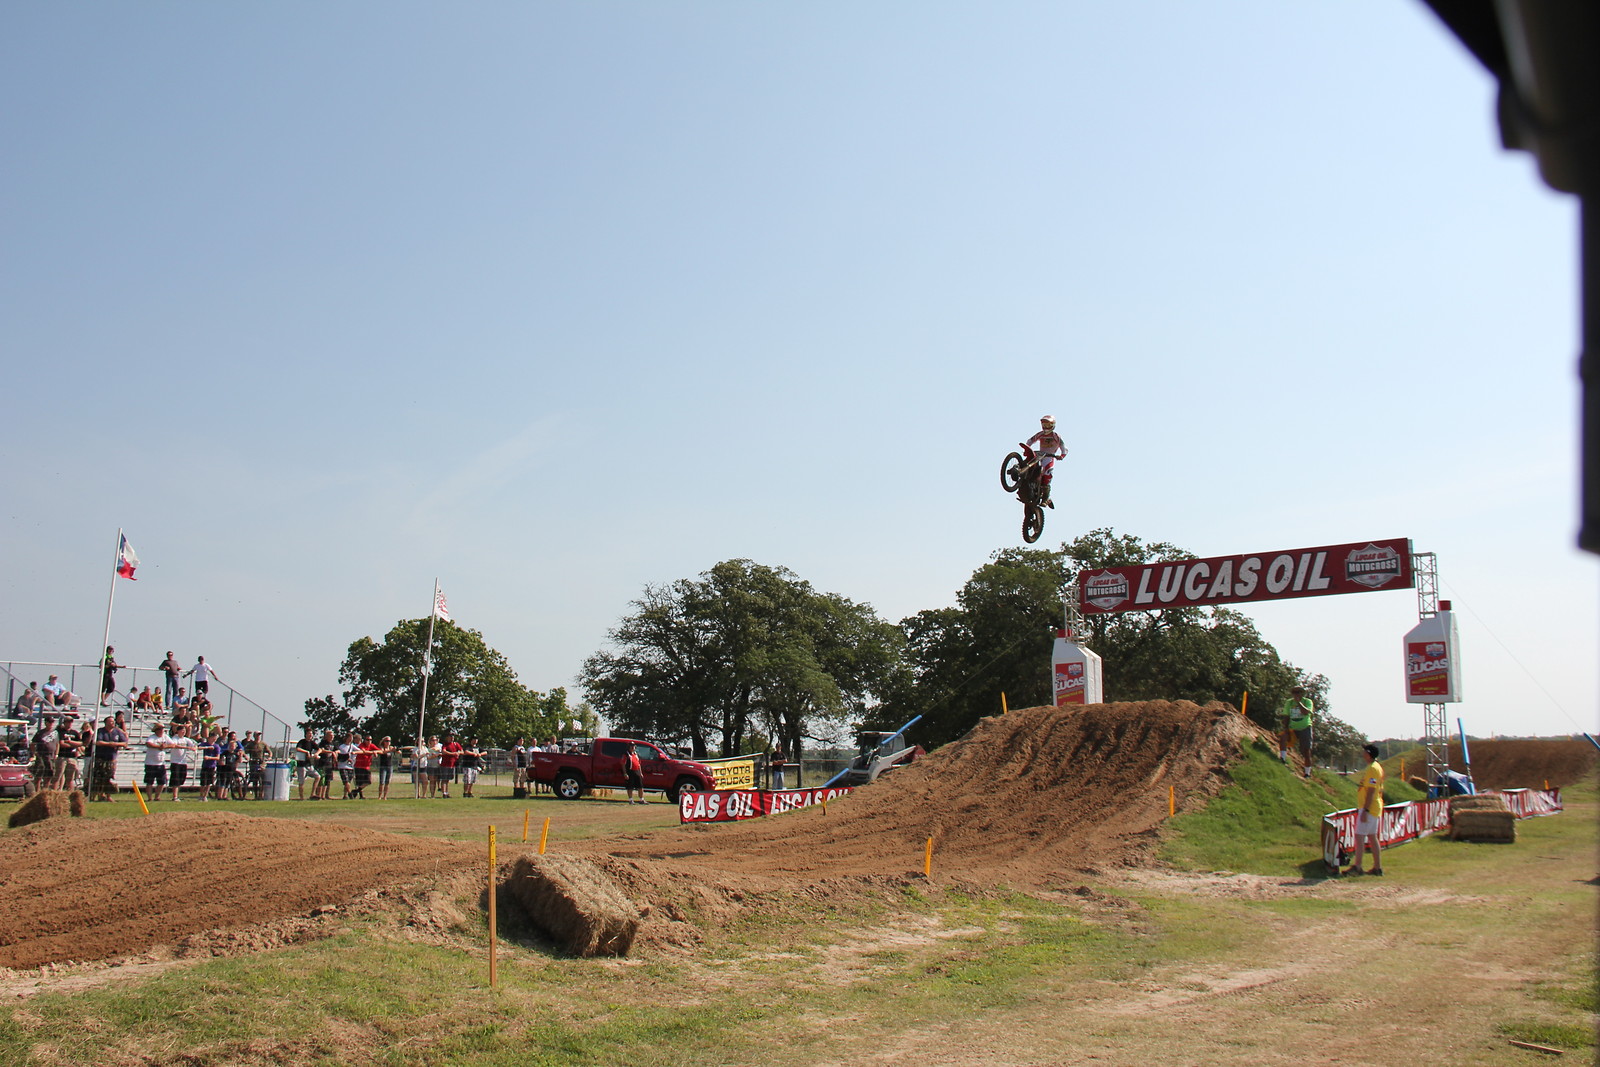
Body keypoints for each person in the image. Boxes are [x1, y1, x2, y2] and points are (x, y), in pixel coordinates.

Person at [1344, 743, 1386, 877]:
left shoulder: (1373, 768)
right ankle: (1377, 867)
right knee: (1372, 837)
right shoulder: (1374, 767)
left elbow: (1371, 790)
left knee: (1359, 836)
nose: (1363, 754)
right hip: (1373, 807)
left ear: (1369, 754)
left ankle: (1358, 866)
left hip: (1369, 807)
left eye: (1364, 752)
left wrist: (1366, 810)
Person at [1024, 415, 1068, 508]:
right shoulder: (1040, 434)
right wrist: (1027, 448)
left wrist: (1061, 455)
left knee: (1047, 473)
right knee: (1028, 465)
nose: (1046, 427)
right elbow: (1030, 440)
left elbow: (1064, 448)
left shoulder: (1056, 436)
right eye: (1044, 424)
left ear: (1053, 425)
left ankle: (1045, 498)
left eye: (1048, 425)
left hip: (1049, 457)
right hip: (1040, 455)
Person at [1280, 686, 1315, 777]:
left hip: (1305, 727)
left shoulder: (1307, 701)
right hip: (1293, 728)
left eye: (1298, 692)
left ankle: (1307, 773)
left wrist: (1299, 702)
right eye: (1294, 692)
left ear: (1302, 693)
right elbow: (1286, 716)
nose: (1296, 694)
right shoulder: (1289, 702)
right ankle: (1282, 758)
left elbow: (1306, 712)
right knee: (1283, 737)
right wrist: (1286, 728)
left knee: (1306, 751)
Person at [91, 716, 128, 801]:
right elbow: (98, 742)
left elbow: (124, 743)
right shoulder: (100, 731)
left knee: (109, 777)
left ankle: (108, 795)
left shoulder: (117, 731)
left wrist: (115, 744)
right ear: (106, 723)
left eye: (113, 721)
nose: (113, 723)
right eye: (111, 721)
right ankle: (97, 795)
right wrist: (110, 744)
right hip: (100, 758)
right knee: (98, 777)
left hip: (112, 759)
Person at [29, 716, 59, 798]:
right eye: (50, 722)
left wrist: (56, 754)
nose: (51, 723)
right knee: (39, 773)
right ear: (46, 722)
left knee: (49, 774)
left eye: (52, 722)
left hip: (51, 756)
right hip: (41, 755)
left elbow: (57, 744)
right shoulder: (40, 733)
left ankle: (45, 792)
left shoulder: (55, 733)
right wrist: (34, 753)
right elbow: (33, 744)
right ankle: (37, 792)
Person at [167, 724, 196, 800]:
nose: (183, 732)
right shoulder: (175, 738)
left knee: (181, 778)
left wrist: (194, 747)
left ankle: (177, 795)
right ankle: (175, 796)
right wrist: (186, 747)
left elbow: (193, 745)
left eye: (184, 730)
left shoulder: (186, 739)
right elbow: (174, 745)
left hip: (183, 761)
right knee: (175, 779)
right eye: (182, 730)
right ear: (178, 731)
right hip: (175, 762)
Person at [142, 722, 171, 800]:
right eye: (160, 729)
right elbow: (148, 744)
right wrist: (158, 747)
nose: (161, 731)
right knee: (149, 782)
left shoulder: (165, 737)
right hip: (150, 763)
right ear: (156, 730)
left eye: (162, 729)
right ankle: (150, 797)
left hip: (161, 763)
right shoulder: (152, 737)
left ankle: (157, 796)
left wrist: (165, 746)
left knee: (162, 782)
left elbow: (172, 744)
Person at [294, 727, 319, 800]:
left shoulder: (312, 742)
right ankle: (301, 798)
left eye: (311, 734)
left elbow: (319, 749)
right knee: (302, 782)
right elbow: (298, 748)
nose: (310, 735)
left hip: (309, 765)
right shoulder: (302, 741)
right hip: (301, 765)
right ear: (306, 734)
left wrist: (316, 754)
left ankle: (312, 794)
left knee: (318, 777)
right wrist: (306, 752)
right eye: (309, 733)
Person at [437, 733, 463, 798]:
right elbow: (444, 751)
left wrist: (458, 753)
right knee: (444, 779)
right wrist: (452, 754)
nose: (452, 738)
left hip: (452, 764)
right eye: (450, 736)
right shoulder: (445, 744)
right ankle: (444, 793)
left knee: (448, 779)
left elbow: (462, 751)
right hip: (445, 764)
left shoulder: (456, 744)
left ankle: (446, 792)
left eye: (452, 736)